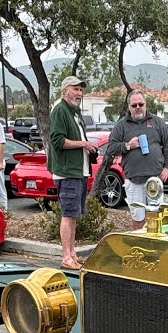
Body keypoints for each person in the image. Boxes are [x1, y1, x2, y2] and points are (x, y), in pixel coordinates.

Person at [48, 75, 97, 269]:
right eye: (75, 89)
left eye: (81, 90)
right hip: (68, 171)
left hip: (79, 171)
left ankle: (73, 254)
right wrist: (83, 144)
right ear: (65, 90)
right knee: (68, 214)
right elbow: (58, 141)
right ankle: (66, 257)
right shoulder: (60, 109)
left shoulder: (73, 112)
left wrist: (88, 148)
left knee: (74, 215)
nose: (79, 93)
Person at [106, 89, 168, 229]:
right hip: (134, 180)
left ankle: (154, 248)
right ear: (129, 107)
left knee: (156, 217)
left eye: (140, 104)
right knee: (138, 217)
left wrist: (167, 168)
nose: (138, 108)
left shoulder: (157, 122)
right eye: (134, 105)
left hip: (155, 179)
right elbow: (111, 148)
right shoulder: (121, 125)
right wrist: (128, 146)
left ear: (146, 105)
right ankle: (140, 247)